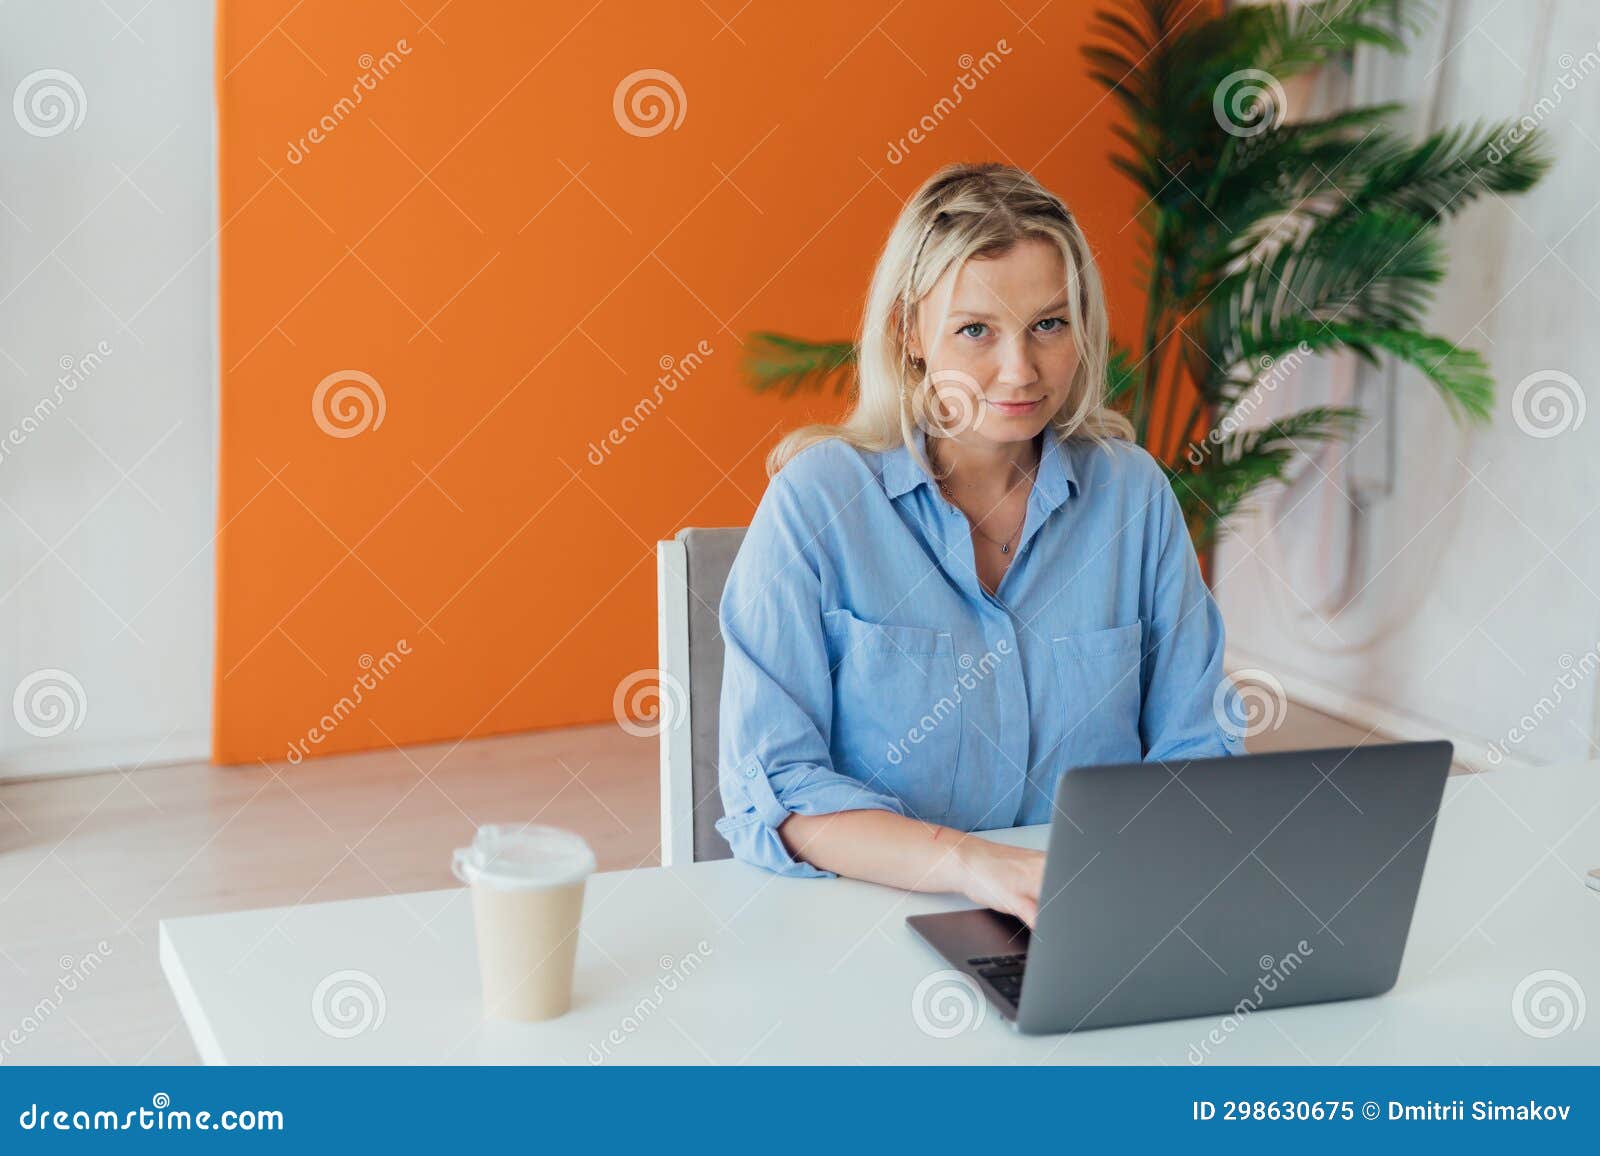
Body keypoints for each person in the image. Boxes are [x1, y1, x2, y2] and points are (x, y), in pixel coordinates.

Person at [716, 162, 1244, 928]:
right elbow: (777, 791)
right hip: (871, 921)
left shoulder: (1132, 496)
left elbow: (1196, 753)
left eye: (1049, 325)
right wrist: (973, 864)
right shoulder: (819, 502)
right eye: (975, 331)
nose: (1019, 370)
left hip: (1087, 914)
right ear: (910, 333)